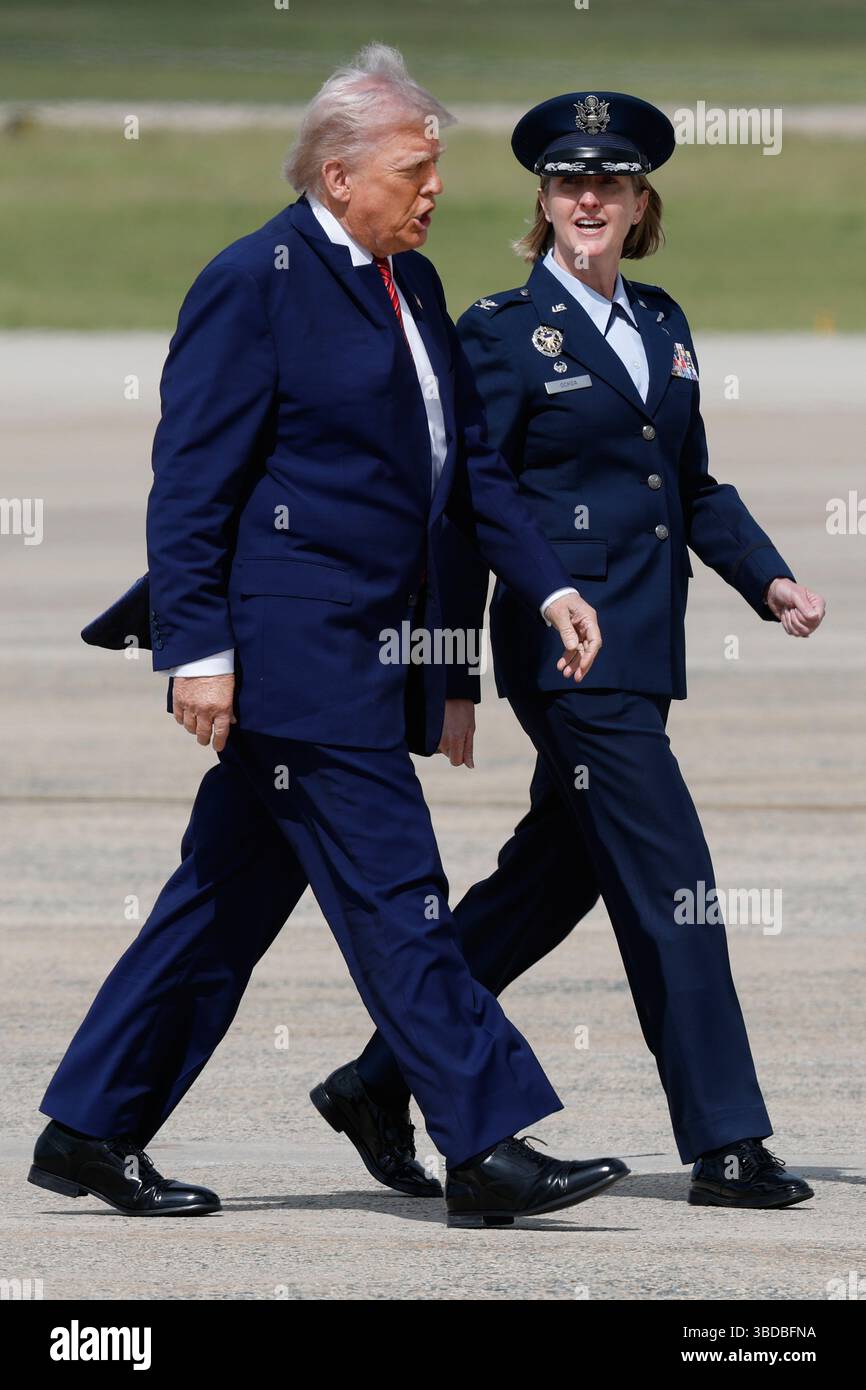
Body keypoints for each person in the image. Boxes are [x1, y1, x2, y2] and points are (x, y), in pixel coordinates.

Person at [29, 49, 629, 1230]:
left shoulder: (404, 279)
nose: (436, 187)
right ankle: (485, 1143)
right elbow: (190, 484)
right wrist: (195, 650)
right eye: (417, 165)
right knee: (399, 891)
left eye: (436, 165)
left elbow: (467, 474)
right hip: (294, 658)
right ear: (339, 170)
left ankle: (90, 1126)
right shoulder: (255, 279)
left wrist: (544, 583)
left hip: (373, 648)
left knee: (218, 903)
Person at [327, 90, 828, 1210]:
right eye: (565, 184)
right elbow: (458, 507)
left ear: (640, 200)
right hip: (566, 659)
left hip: (645, 648)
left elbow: (689, 484)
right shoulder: (500, 335)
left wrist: (768, 576)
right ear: (542, 204)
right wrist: (447, 674)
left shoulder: (661, 322)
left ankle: (374, 1077)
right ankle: (725, 1142)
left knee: (548, 881)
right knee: (677, 886)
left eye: (606, 183)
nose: (586, 199)